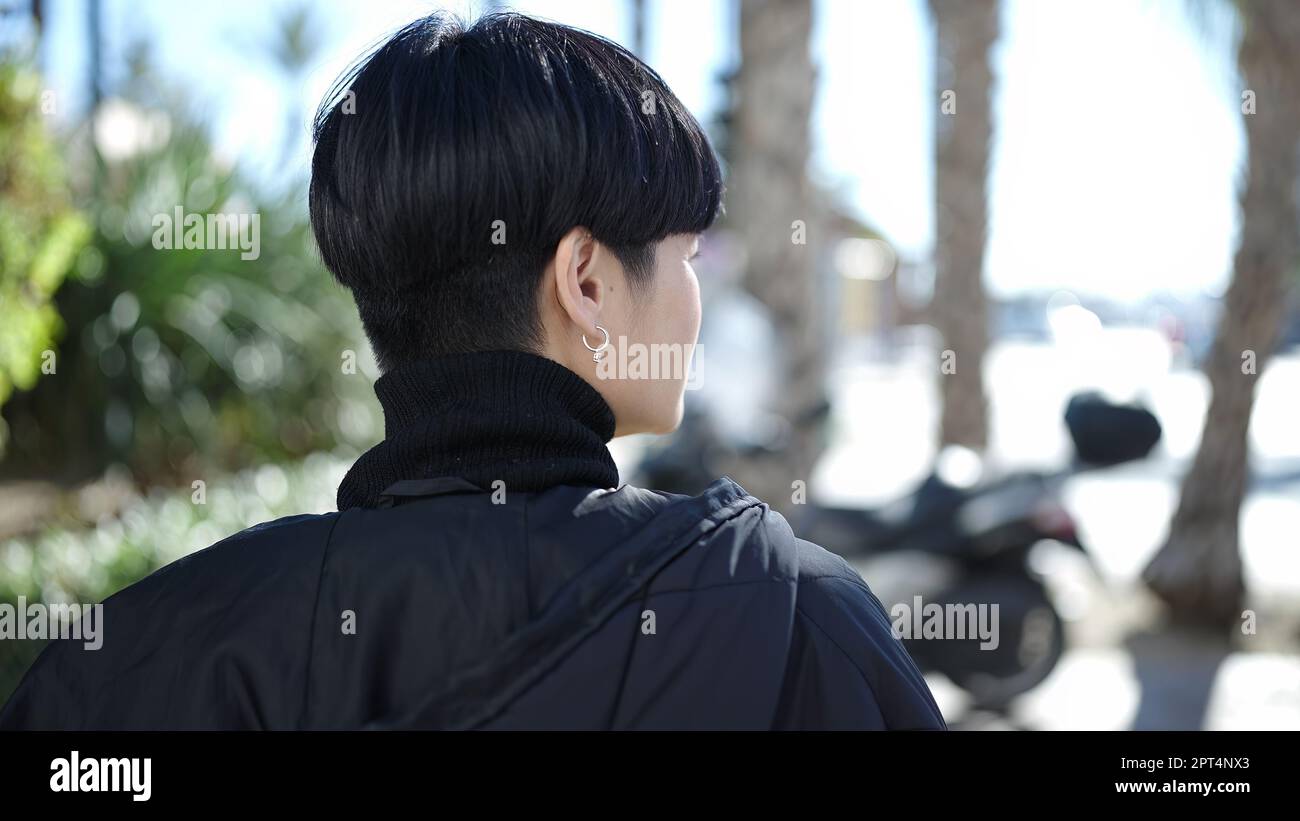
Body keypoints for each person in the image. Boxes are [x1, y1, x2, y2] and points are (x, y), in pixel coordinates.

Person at [0, 12, 944, 730]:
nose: (696, 299)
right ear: (586, 279)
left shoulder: (144, 656)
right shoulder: (791, 621)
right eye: (687, 256)